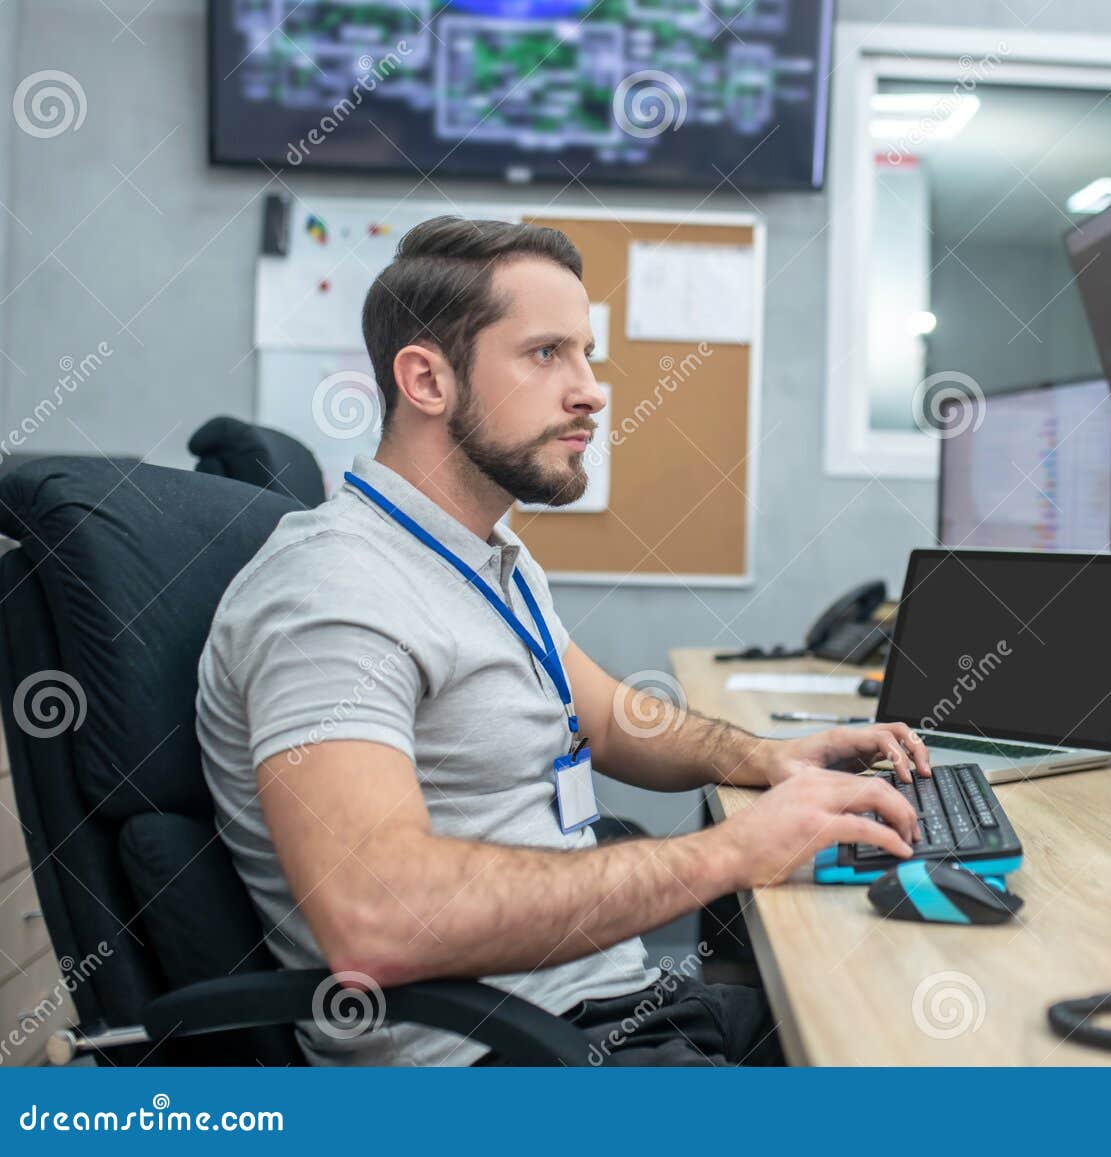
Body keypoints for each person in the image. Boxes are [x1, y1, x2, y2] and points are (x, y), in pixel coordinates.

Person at [196, 216, 930, 1067]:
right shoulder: (334, 591)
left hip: (602, 1002)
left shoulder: (487, 555)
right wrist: (734, 849)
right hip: (498, 1057)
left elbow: (612, 720)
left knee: (901, 1029)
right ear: (427, 379)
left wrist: (768, 758)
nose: (592, 390)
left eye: (587, 354)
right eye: (547, 354)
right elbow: (377, 917)